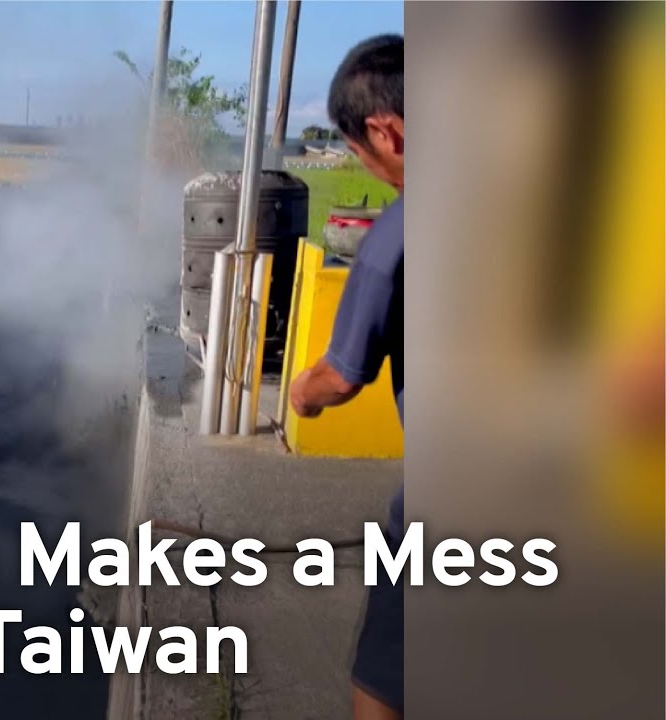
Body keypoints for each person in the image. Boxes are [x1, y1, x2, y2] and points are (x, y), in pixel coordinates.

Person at [288, 34, 405, 720]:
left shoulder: (397, 237)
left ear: (384, 131)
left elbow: (339, 377)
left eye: (358, 153)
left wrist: (300, 395)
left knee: (383, 685)